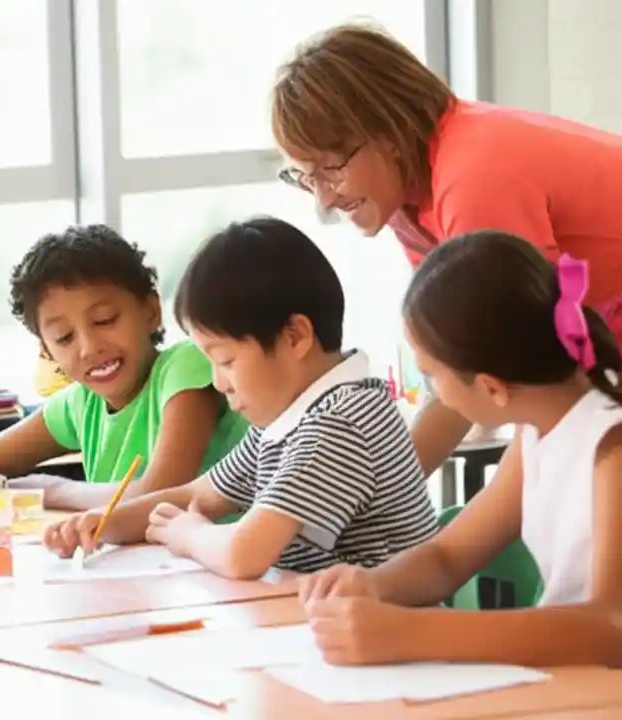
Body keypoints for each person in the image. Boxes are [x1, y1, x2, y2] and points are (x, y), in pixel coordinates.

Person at [271, 22, 622, 479]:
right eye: (305, 177)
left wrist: (377, 493)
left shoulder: (473, 178)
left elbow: (517, 367)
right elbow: (455, 359)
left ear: (389, 136)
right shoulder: (407, 197)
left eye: (330, 169)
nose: (324, 200)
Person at [45, 218, 437, 580]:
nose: (219, 383)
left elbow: (244, 554)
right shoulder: (287, 421)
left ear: (295, 337)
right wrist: (104, 522)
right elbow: (198, 494)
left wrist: (190, 534)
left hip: (392, 639)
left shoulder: (340, 423)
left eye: (226, 360)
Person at [301, 230, 622, 666]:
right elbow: (448, 557)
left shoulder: (611, 446)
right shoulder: (538, 436)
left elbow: (610, 627)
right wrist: (372, 584)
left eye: (432, 375)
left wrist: (408, 632)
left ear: (491, 387)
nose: (436, 394)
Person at [0, 225, 248, 511]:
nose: (89, 347)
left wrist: (49, 489)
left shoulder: (185, 367)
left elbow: (159, 493)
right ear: (47, 351)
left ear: (151, 311)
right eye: (64, 337)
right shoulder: (78, 404)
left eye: (105, 320)